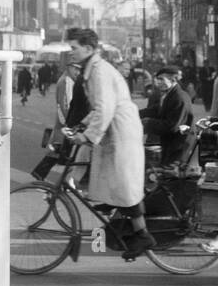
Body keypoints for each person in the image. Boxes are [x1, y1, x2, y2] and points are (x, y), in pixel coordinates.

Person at [64, 28, 155, 259]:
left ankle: (142, 235)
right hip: (114, 129)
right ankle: (123, 230)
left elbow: (105, 108)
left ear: (89, 48)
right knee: (116, 182)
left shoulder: (99, 72)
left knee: (124, 183)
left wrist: (86, 135)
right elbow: (99, 108)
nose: (70, 52)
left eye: (74, 47)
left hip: (121, 131)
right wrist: (81, 126)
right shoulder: (92, 69)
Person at [140, 66, 195, 167]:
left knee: (170, 177)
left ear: (173, 79)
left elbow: (172, 126)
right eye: (157, 79)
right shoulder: (169, 94)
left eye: (161, 79)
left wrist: (148, 123)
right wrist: (135, 114)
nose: (158, 82)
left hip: (179, 146)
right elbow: (156, 110)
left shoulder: (179, 97)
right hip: (171, 144)